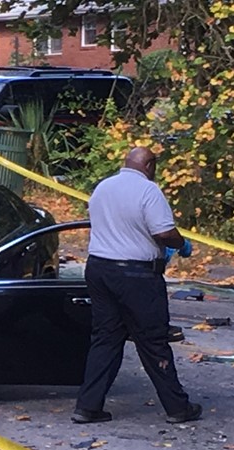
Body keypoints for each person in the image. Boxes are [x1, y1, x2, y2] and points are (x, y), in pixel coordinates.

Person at [72, 146, 203, 425]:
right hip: (137, 277)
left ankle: (88, 406)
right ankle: (178, 407)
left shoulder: (103, 188)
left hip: (99, 270)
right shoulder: (148, 191)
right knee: (153, 340)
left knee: (105, 338)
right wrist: (181, 245)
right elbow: (163, 231)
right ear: (150, 166)